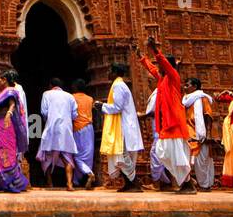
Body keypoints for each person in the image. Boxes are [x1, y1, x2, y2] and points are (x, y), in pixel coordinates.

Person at [137, 37, 194, 193]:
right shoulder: (162, 79)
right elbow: (152, 69)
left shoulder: (173, 77)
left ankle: (188, 183)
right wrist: (142, 57)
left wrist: (155, 49)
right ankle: (183, 181)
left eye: (160, 64)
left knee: (176, 156)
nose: (158, 67)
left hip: (174, 124)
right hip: (167, 125)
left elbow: (163, 64)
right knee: (164, 153)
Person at [98, 62, 144, 192]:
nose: (108, 74)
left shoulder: (118, 86)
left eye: (110, 71)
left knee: (122, 154)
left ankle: (135, 182)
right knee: (122, 154)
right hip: (124, 125)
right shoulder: (119, 85)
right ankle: (129, 183)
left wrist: (102, 106)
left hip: (123, 127)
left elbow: (117, 107)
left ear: (115, 72)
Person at [0, 70, 30, 193]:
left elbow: (12, 104)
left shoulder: (10, 91)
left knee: (7, 153)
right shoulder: (2, 94)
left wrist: (8, 114)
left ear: (5, 80)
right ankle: (4, 184)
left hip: (6, 127)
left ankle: (15, 183)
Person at [37, 78, 79, 189]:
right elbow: (75, 115)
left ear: (51, 85)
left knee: (46, 157)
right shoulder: (70, 96)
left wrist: (49, 120)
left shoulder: (47, 94)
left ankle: (50, 183)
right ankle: (69, 183)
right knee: (67, 157)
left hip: (51, 128)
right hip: (66, 129)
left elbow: (44, 112)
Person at [182, 77, 215, 190]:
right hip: (188, 134)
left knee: (202, 161)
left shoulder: (202, 98)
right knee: (189, 161)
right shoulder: (186, 100)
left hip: (201, 135)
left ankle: (205, 185)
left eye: (187, 85)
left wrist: (208, 134)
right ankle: (192, 183)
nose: (184, 87)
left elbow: (208, 115)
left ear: (195, 87)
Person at [69, 79, 97, 189]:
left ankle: (88, 172)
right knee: (88, 155)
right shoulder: (90, 99)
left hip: (78, 128)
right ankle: (77, 181)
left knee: (76, 156)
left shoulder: (72, 97)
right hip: (89, 128)